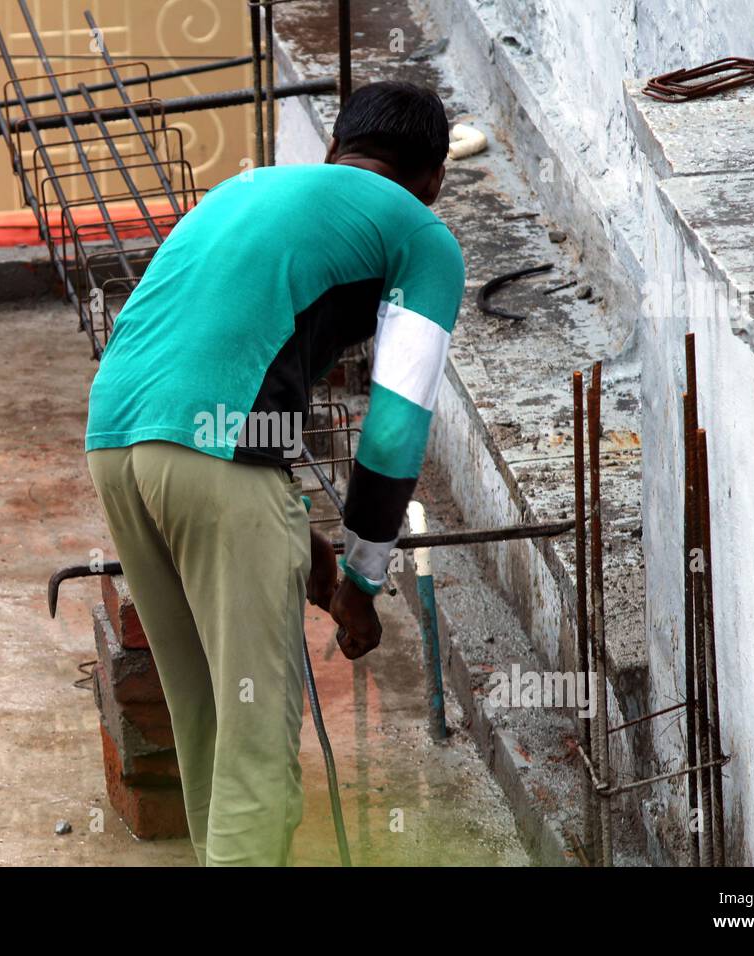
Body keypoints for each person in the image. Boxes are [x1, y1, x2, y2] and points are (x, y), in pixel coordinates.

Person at [85, 80, 465, 865]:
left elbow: (224, 364)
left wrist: (290, 534)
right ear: (434, 179)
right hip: (213, 456)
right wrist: (362, 583)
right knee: (256, 747)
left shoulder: (247, 188)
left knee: (208, 720)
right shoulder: (421, 233)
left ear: (334, 151)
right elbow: (395, 427)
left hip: (114, 436)